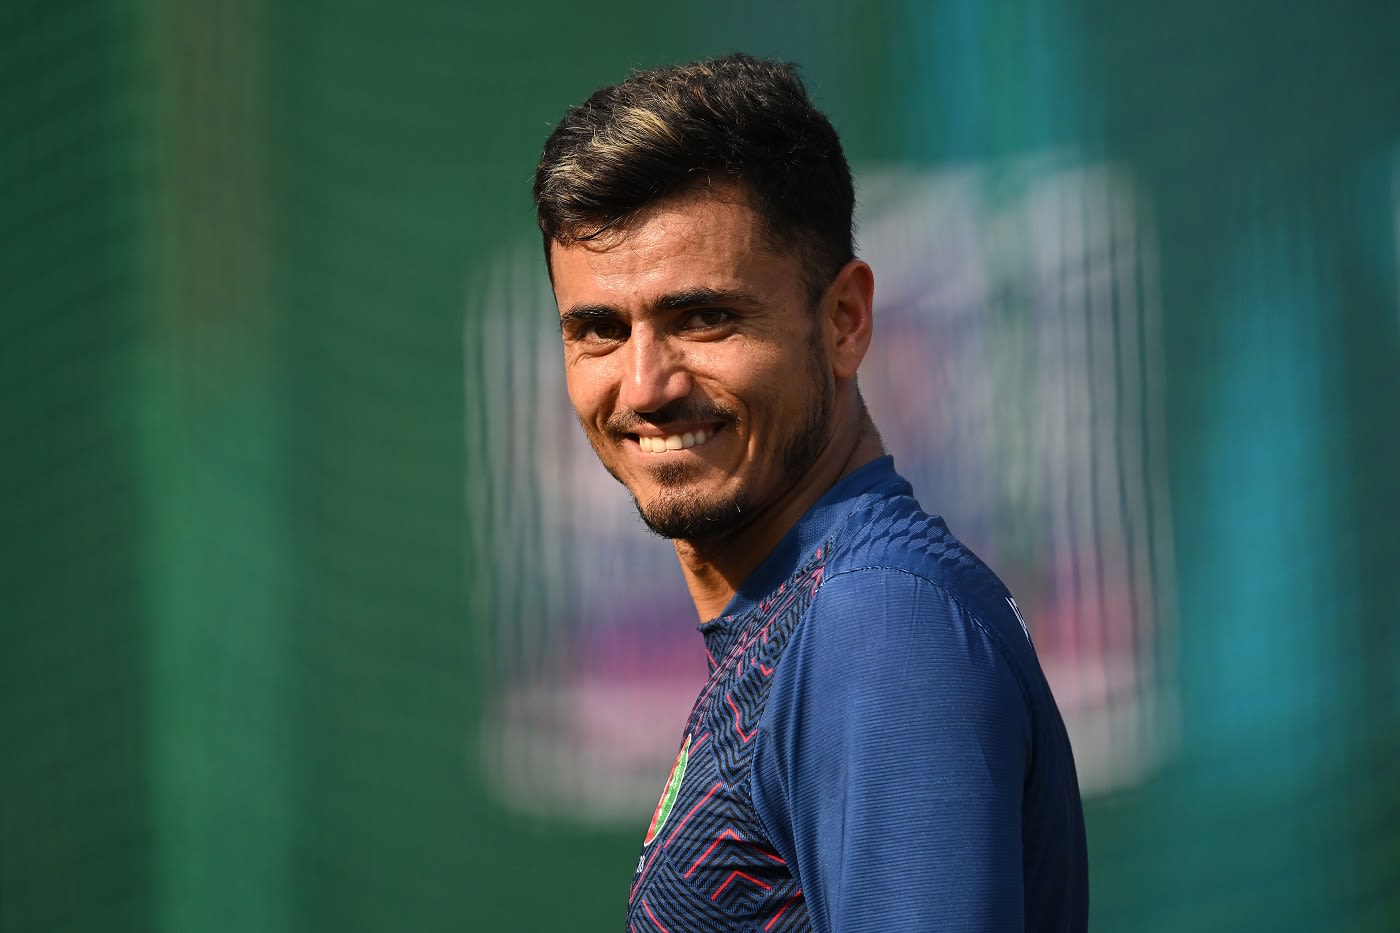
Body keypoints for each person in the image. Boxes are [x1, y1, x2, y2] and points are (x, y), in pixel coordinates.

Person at [533, 53, 1087, 933]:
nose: (644, 386)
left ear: (845, 321)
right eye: (599, 329)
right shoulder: (801, 621)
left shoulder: (881, 627)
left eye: (703, 317)